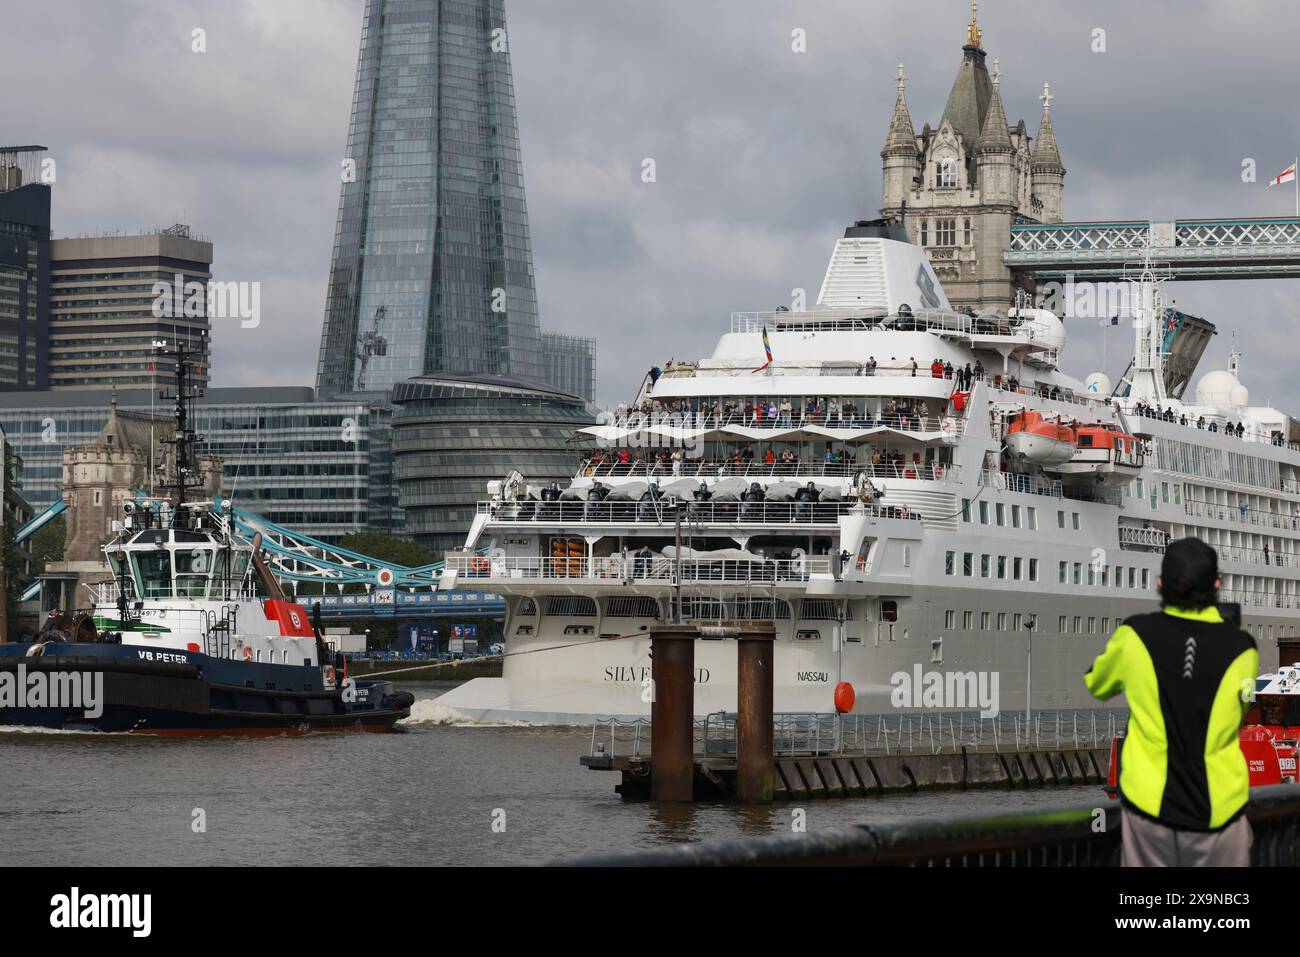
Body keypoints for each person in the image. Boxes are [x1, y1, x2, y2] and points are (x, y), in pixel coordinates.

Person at [1084, 538, 1257, 866]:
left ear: (1160, 584)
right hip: (1220, 805)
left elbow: (1097, 684)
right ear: (1217, 585)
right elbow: (1241, 711)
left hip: (1149, 806)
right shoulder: (1242, 648)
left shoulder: (1134, 635)